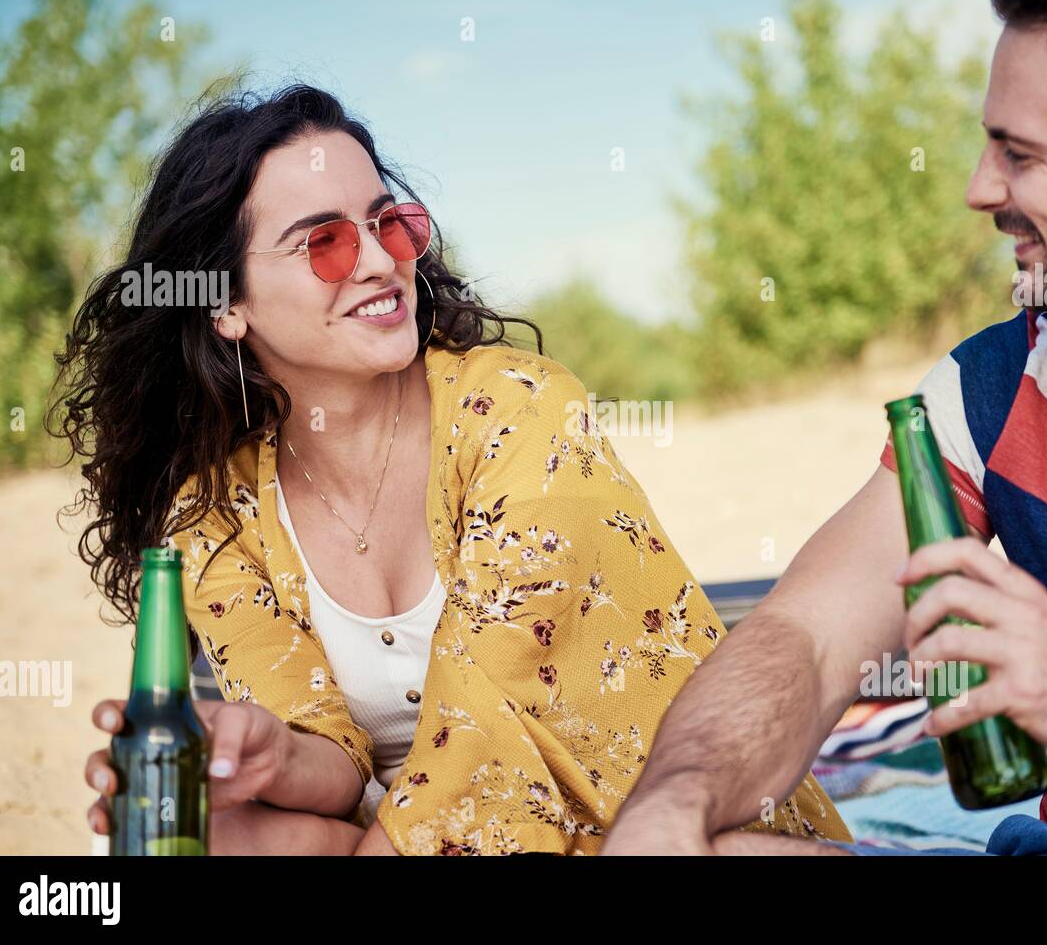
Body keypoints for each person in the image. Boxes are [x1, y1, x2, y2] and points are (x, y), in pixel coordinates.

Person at [54, 84, 848, 855]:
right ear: (227, 305)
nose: (375, 262)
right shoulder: (215, 512)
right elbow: (332, 761)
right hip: (413, 831)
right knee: (199, 834)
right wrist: (270, 751)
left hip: (639, 822)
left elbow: (482, 721)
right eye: (323, 242)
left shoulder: (518, 408)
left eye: (387, 224)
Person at [604, 0, 1047, 856]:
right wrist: (672, 803)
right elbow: (805, 636)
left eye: (1020, 154)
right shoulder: (1004, 380)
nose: (978, 189)